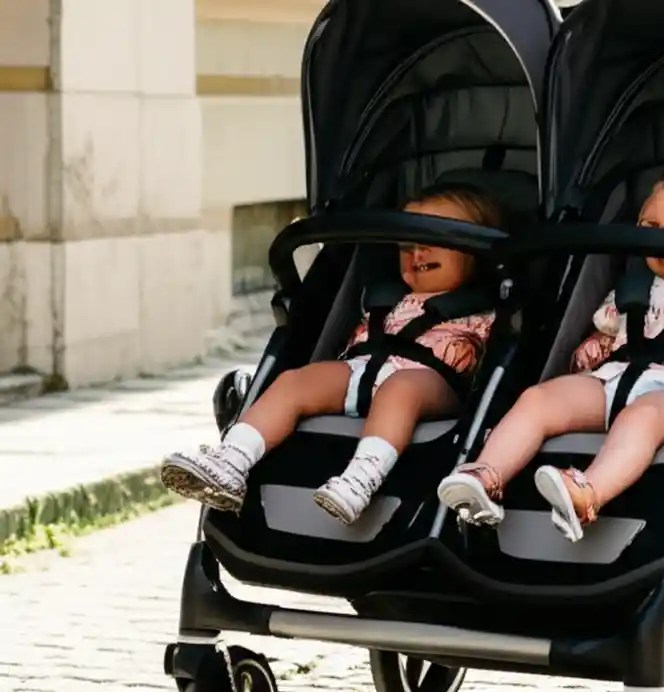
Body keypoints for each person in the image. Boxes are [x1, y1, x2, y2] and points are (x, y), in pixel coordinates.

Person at [435, 167, 664, 542]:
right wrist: (590, 352)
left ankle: (588, 494)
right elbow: (600, 335)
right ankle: (485, 475)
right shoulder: (632, 289)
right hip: (612, 379)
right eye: (649, 225)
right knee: (539, 399)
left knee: (643, 418)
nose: (663, 236)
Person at [159, 184, 504, 524]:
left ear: (477, 252)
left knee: (401, 389)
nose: (417, 254)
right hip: (362, 369)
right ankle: (231, 461)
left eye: (432, 243)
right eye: (406, 245)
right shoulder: (384, 296)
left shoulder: (488, 310)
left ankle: (360, 479)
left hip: (433, 385)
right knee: (295, 381)